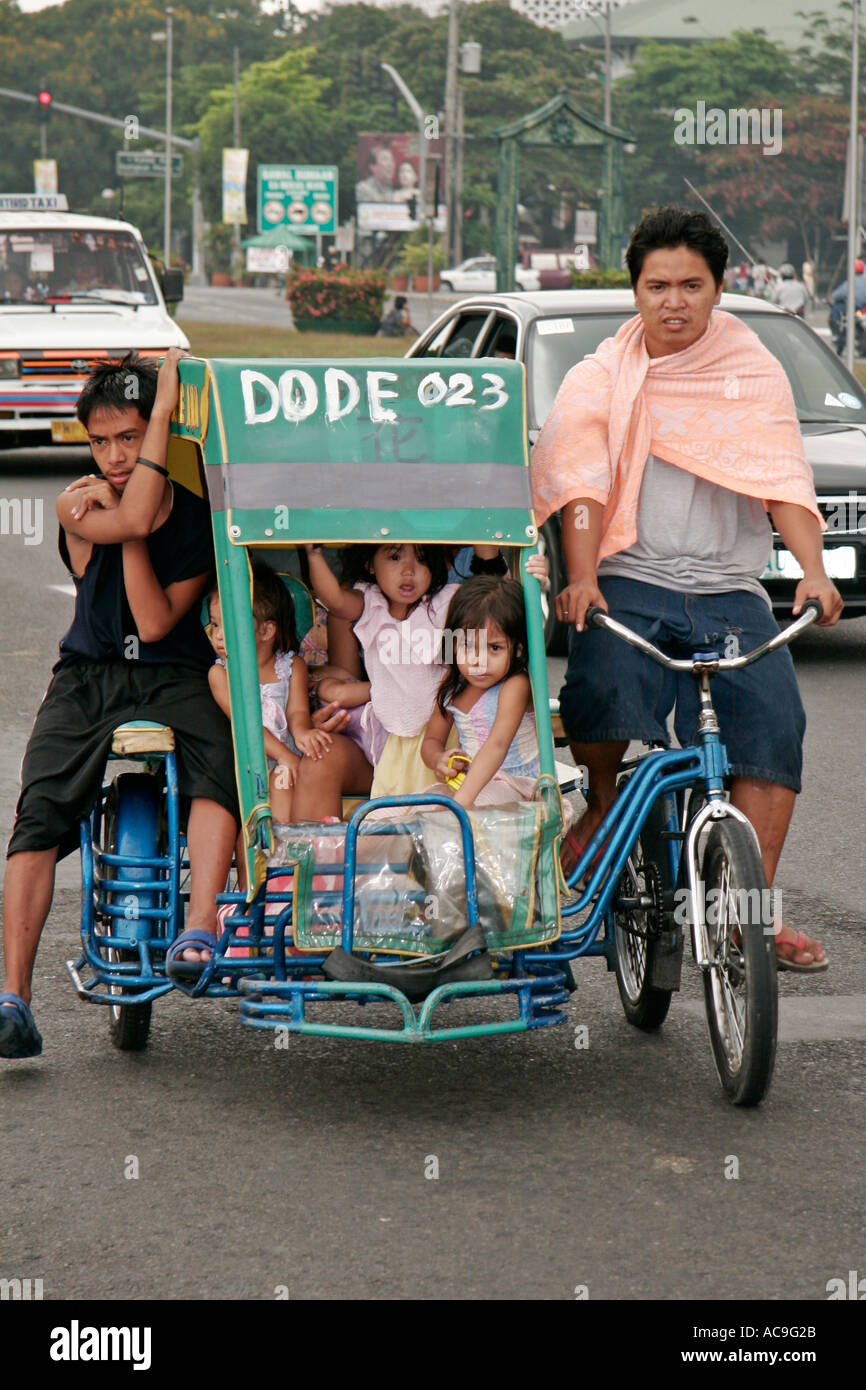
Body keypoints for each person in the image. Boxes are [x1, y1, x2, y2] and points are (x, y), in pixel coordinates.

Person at [531, 205, 843, 974]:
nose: (675, 301)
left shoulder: (752, 370)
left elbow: (783, 481)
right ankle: (604, 800)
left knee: (774, 732)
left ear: (719, 289)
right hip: (629, 579)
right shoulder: (599, 377)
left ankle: (748, 914)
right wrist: (581, 580)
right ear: (634, 291)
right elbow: (579, 483)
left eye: (692, 286)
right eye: (657, 285)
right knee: (599, 691)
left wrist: (812, 570)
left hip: (730, 589)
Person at [0, 349, 241, 1056]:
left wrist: (163, 419)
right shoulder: (74, 503)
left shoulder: (197, 520)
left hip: (174, 672)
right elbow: (129, 525)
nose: (112, 455)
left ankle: (199, 929)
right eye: (100, 440)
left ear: (161, 438)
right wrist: (127, 517)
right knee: (39, 811)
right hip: (91, 671)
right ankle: (14, 996)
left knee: (222, 762)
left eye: (130, 437)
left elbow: (158, 622)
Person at [420, 575, 573, 817]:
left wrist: (461, 802)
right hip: (472, 785)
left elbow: (497, 745)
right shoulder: (453, 687)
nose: (479, 660)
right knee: (418, 809)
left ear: (518, 648)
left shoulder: (515, 685)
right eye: (468, 646)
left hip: (520, 788)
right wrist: (438, 759)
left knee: (461, 813)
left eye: (494, 648)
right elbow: (431, 741)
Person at [207, 563, 333, 828]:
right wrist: (286, 757)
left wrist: (301, 734)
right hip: (244, 766)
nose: (217, 636)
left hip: (283, 762)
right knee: (275, 781)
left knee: (284, 782)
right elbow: (245, 724)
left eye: (227, 626)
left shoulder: (291, 667)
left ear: (266, 631)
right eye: (214, 624)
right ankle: (262, 856)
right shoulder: (220, 675)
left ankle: (285, 856)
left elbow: (297, 712)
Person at [829, 259, 866, 336]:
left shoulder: (850, 282)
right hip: (862, 310)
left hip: (854, 308)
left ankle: (837, 328)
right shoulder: (864, 281)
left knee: (836, 309)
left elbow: (837, 294)